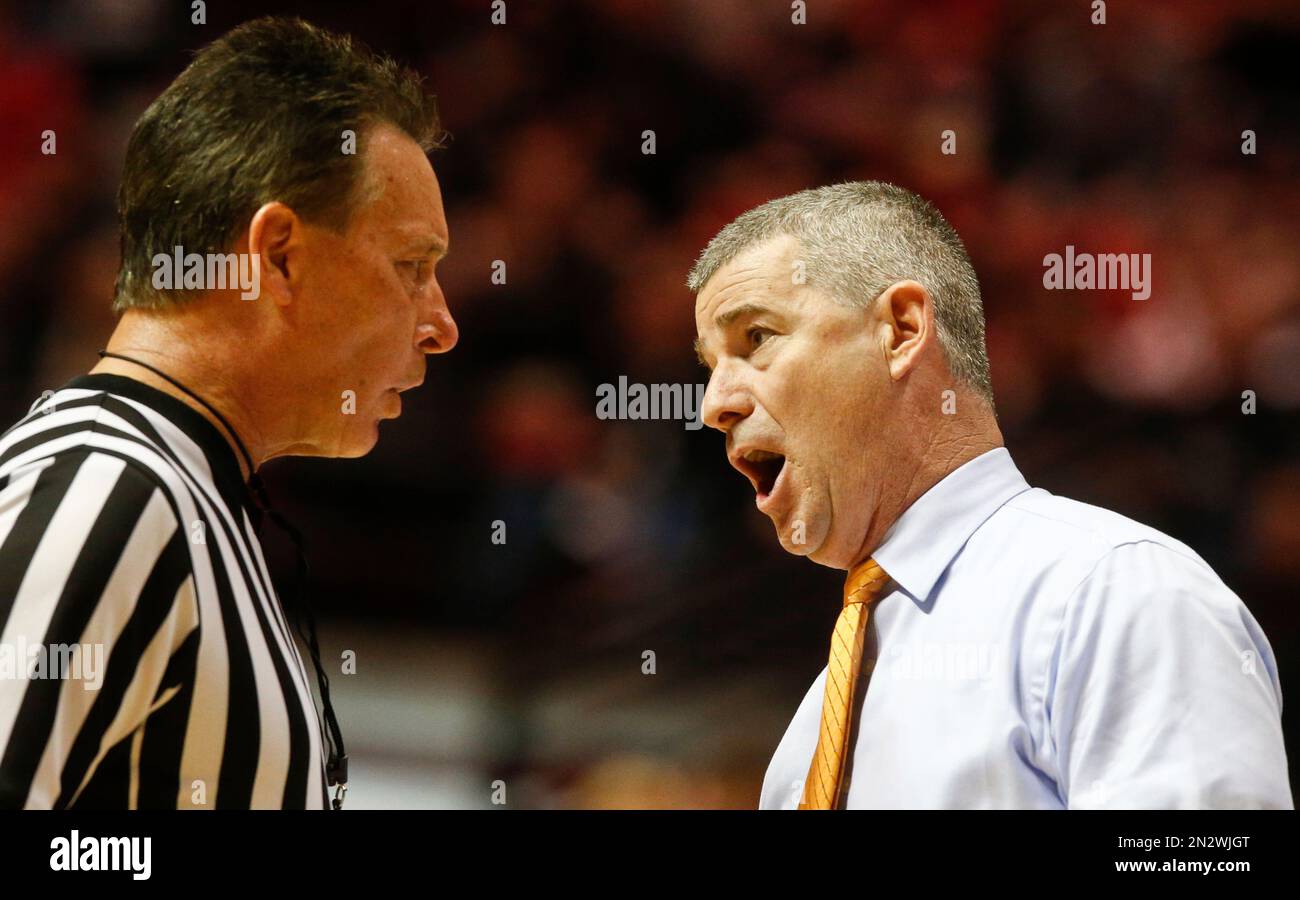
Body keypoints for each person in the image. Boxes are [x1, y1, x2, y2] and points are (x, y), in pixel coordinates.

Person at [688, 181, 1291, 809]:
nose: (714, 406)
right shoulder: (808, 736)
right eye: (710, 367)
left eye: (756, 338)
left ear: (900, 329)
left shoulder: (1112, 593)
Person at [0, 17, 457, 809]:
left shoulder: (179, 495)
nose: (442, 325)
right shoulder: (108, 492)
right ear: (278, 254)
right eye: (412, 267)